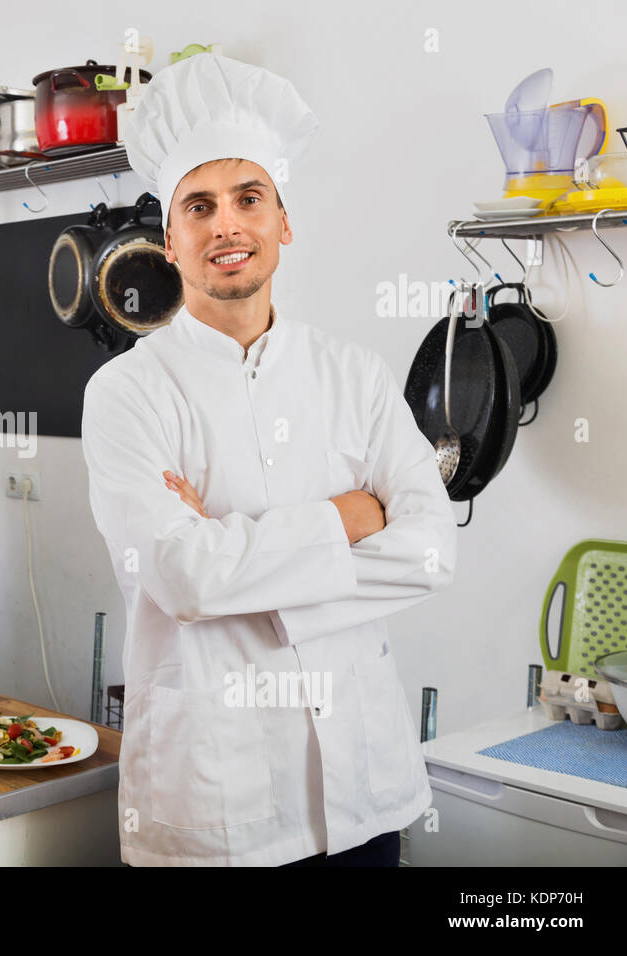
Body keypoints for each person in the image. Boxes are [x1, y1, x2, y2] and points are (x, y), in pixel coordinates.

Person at [81, 53, 458, 867]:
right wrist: (349, 518)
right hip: (218, 806)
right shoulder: (126, 393)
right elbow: (180, 575)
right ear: (171, 237)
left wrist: (237, 558)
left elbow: (432, 551)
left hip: (362, 795)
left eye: (250, 199)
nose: (228, 225)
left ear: (283, 223)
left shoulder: (353, 373)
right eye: (200, 206)